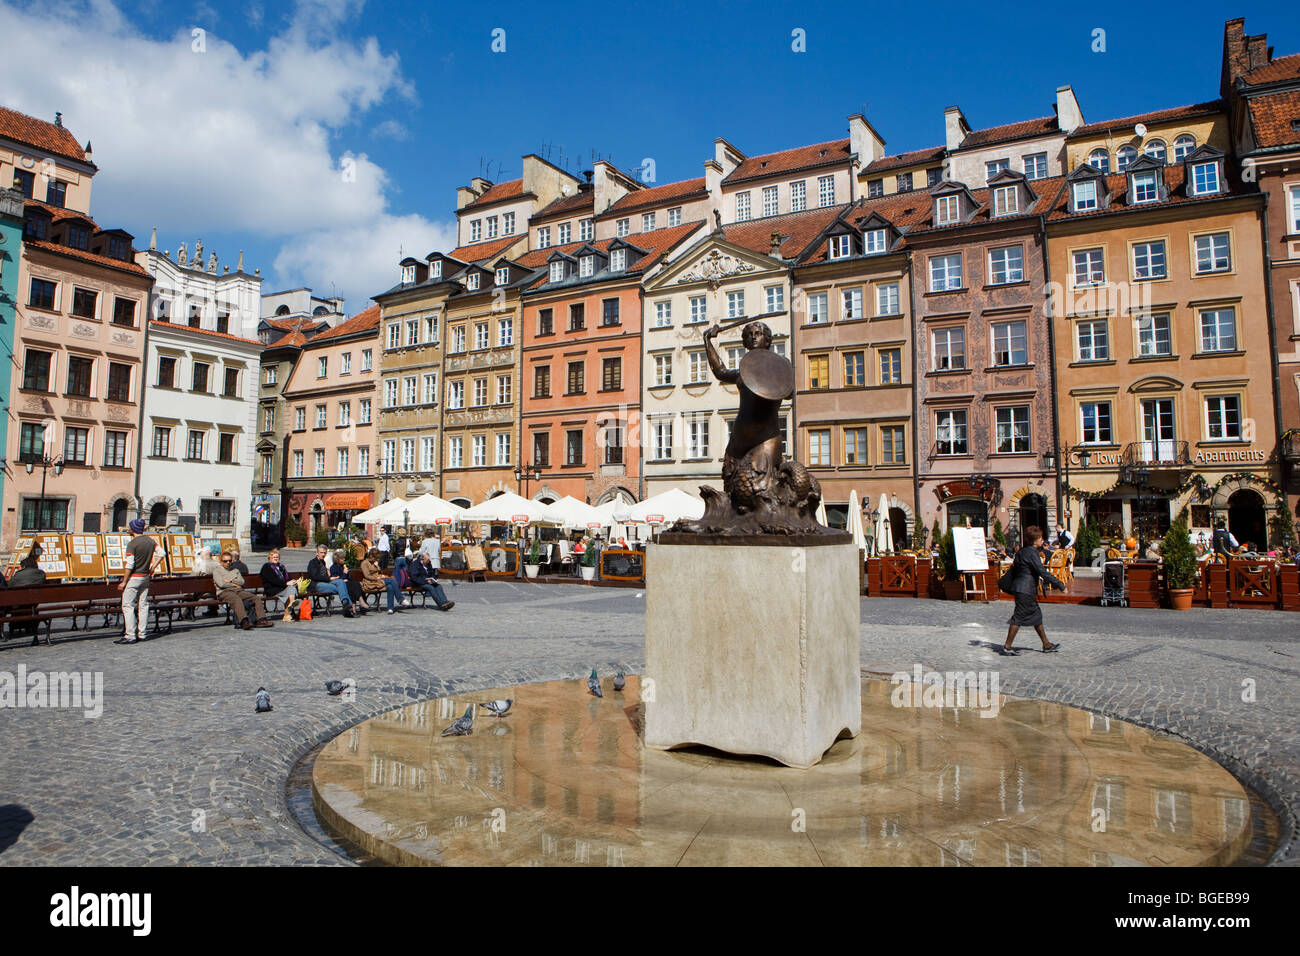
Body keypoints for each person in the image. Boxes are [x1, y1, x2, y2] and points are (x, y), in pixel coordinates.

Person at [1000, 525, 1066, 656]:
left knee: (1036, 616)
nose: (1042, 540)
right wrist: (1059, 584)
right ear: (1034, 540)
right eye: (1040, 537)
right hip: (1025, 589)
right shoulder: (1032, 553)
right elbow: (1041, 571)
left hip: (1022, 588)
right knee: (1018, 617)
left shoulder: (1022, 551)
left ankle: (1046, 644)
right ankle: (1007, 646)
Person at [117, 518, 163, 645]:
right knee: (143, 605)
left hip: (134, 577)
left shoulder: (133, 543)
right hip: (145, 577)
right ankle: (142, 633)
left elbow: (130, 565)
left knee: (128, 605)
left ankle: (130, 635)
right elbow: (162, 553)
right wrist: (152, 568)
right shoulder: (150, 541)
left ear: (133, 528)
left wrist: (124, 581)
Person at [213, 551, 273, 629]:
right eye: (225, 561)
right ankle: (244, 621)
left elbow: (242, 582)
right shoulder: (217, 571)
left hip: (238, 590)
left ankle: (261, 619)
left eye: (230, 561)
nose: (228, 563)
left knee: (255, 598)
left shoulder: (235, 570)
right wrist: (235, 584)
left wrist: (231, 581)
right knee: (236, 599)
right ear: (221, 561)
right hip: (224, 592)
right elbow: (222, 584)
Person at [306, 544, 358, 617]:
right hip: (316, 585)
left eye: (325, 553)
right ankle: (348, 607)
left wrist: (331, 577)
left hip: (326, 582)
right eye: (321, 552)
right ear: (317, 553)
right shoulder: (312, 563)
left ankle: (346, 604)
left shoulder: (323, 562)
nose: (323, 554)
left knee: (340, 581)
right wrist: (329, 578)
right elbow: (314, 576)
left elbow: (325, 575)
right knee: (341, 588)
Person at [8, 553, 46, 645]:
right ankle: (28, 625)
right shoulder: (41, 574)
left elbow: (10, 586)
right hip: (34, 602)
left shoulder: (18, 575)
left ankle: (16, 625)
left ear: (23, 566)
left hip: (18, 603)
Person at [361, 548, 407, 614]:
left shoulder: (374, 563)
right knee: (391, 580)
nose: (377, 560)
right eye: (376, 558)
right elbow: (367, 576)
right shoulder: (364, 563)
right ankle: (400, 599)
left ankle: (390, 608)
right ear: (372, 556)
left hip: (378, 582)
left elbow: (379, 571)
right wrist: (376, 578)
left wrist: (377, 566)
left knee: (390, 586)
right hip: (370, 583)